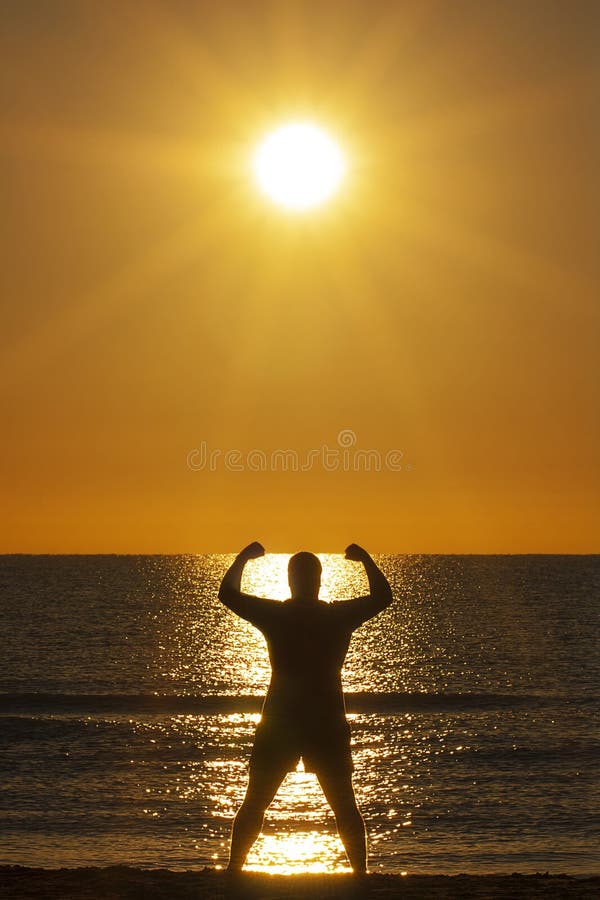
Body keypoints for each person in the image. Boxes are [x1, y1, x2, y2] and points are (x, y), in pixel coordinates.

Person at [218, 541, 393, 873]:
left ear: (290, 580)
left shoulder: (277, 615)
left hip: (282, 720)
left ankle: (234, 870)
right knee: (343, 803)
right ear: (318, 580)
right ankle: (360, 875)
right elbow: (383, 596)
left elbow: (228, 594)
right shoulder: (337, 616)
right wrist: (366, 559)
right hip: (323, 720)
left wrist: (243, 557)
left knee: (256, 802)